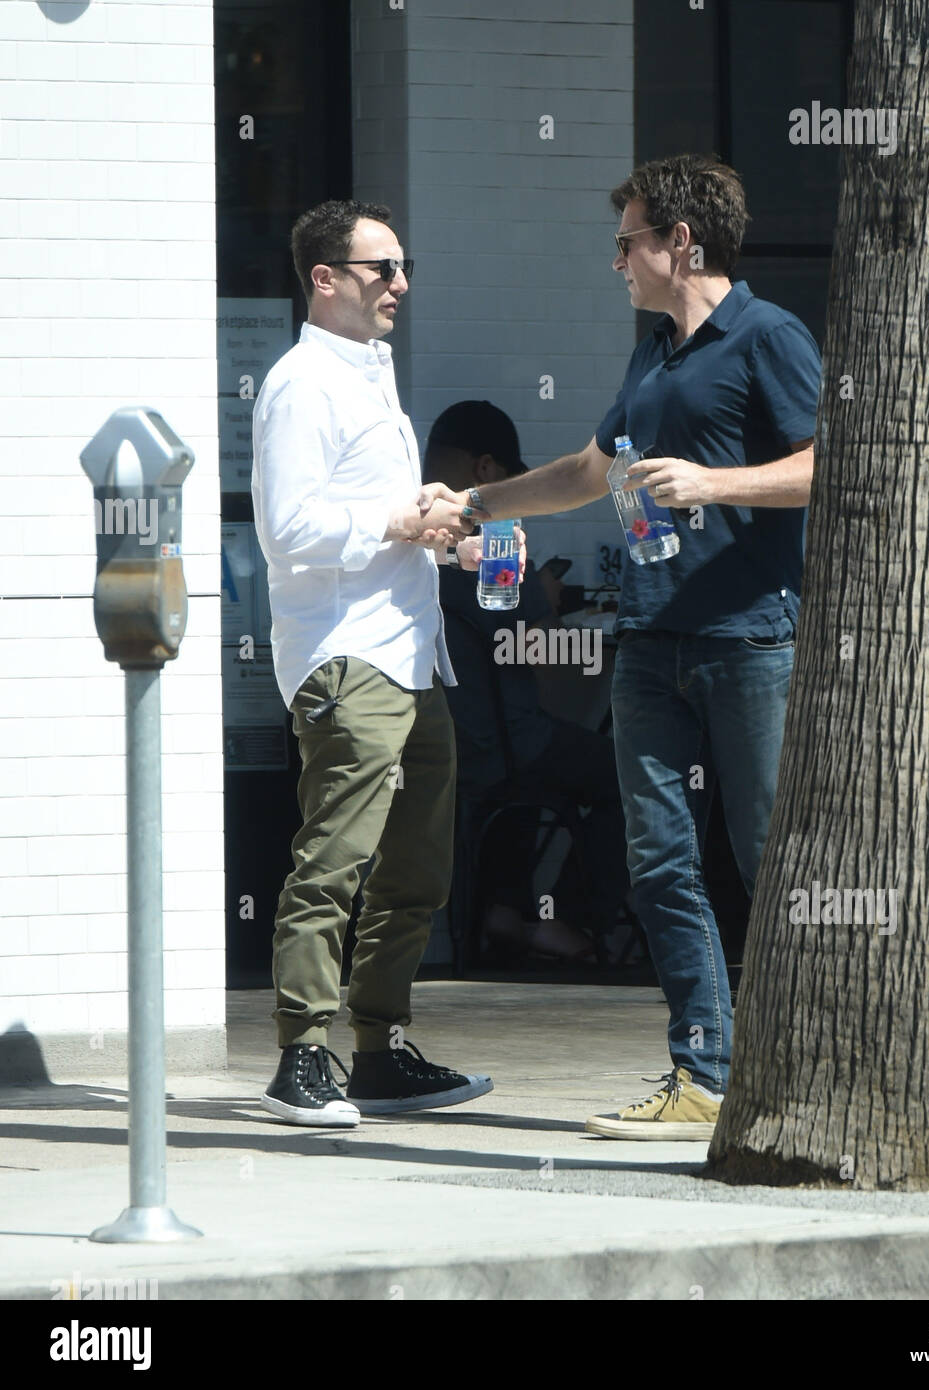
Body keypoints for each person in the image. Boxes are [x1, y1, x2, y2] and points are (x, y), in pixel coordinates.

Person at [451, 154, 822, 1140]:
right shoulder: (654, 354)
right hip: (651, 640)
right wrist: (476, 501)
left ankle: (812, 1064)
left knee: (767, 855)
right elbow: (589, 467)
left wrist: (715, 485)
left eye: (626, 242)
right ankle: (701, 1070)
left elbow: (827, 462)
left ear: (679, 242)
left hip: (750, 640)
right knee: (657, 860)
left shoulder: (768, 335)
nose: (615, 262)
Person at [251, 199, 505, 1126]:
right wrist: (401, 519)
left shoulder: (368, 376)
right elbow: (289, 530)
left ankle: (379, 1050)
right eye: (381, 269)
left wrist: (442, 538)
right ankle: (301, 1058)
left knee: (414, 873)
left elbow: (372, 525)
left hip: (411, 657)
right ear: (325, 279)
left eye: (401, 267)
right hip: (345, 657)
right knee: (335, 861)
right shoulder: (301, 382)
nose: (401, 284)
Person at [424, 400, 630, 963]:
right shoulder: (492, 542)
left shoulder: (419, 537)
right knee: (627, 777)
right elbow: (542, 651)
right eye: (517, 481)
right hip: (506, 744)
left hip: (451, 745)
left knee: (543, 772)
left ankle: (506, 912)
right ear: (486, 471)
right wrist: (550, 600)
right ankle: (574, 922)